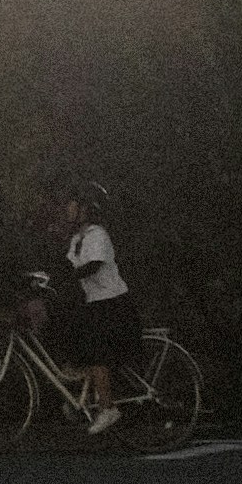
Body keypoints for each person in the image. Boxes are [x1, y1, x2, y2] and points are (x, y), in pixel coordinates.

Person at [43, 179, 143, 435]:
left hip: (113, 304)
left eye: (72, 204)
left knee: (97, 354)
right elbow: (68, 266)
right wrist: (45, 278)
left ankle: (108, 408)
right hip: (95, 303)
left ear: (86, 208)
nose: (68, 209)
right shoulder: (78, 238)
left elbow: (92, 266)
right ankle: (82, 399)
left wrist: (66, 277)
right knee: (75, 347)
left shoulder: (98, 235)